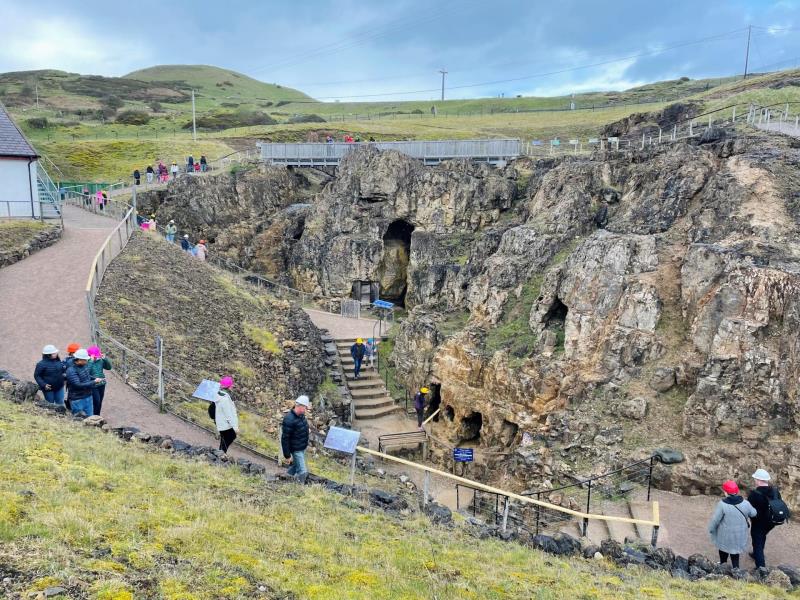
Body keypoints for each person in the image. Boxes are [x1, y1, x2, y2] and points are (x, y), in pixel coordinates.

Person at [708, 480, 756, 570]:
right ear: (737, 491)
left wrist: (711, 529)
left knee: (723, 551)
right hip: (739, 535)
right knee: (735, 554)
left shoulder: (722, 504)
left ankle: (723, 566)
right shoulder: (745, 503)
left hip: (725, 535)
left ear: (725, 492)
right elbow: (754, 513)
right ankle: (736, 570)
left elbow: (715, 520)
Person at [748, 468, 790, 568]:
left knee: (757, 541)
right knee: (762, 536)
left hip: (759, 523)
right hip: (772, 521)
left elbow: (749, 509)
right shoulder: (775, 491)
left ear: (758, 480)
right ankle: (756, 553)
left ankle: (761, 568)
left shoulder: (754, 494)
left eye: (755, 479)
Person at [281, 395, 311, 483]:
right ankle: (300, 488)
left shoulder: (301, 415)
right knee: (303, 471)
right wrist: (287, 456)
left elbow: (301, 426)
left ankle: (285, 480)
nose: (306, 409)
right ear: (299, 406)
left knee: (294, 466)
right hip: (296, 449)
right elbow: (285, 439)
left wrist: (307, 430)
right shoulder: (289, 419)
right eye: (305, 407)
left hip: (302, 447)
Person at [65, 349, 101, 417]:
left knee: (90, 417)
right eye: (85, 360)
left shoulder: (84, 365)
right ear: (79, 360)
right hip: (77, 399)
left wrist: (94, 378)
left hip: (88, 396)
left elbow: (87, 375)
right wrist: (93, 382)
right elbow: (77, 385)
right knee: (79, 418)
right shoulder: (71, 370)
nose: (87, 361)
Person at [212, 376, 239, 453]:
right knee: (231, 436)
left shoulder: (217, 395)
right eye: (231, 386)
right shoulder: (225, 399)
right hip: (225, 423)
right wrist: (235, 427)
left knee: (225, 439)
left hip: (220, 421)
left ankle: (220, 452)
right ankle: (220, 453)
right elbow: (229, 414)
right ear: (229, 387)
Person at [87, 346, 112, 416]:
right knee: (96, 401)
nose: (96, 358)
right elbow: (86, 372)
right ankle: (92, 416)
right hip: (93, 384)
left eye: (97, 356)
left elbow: (109, 367)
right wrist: (91, 361)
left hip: (101, 383)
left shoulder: (100, 361)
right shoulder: (87, 361)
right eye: (95, 356)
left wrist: (105, 359)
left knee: (100, 401)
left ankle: (97, 416)